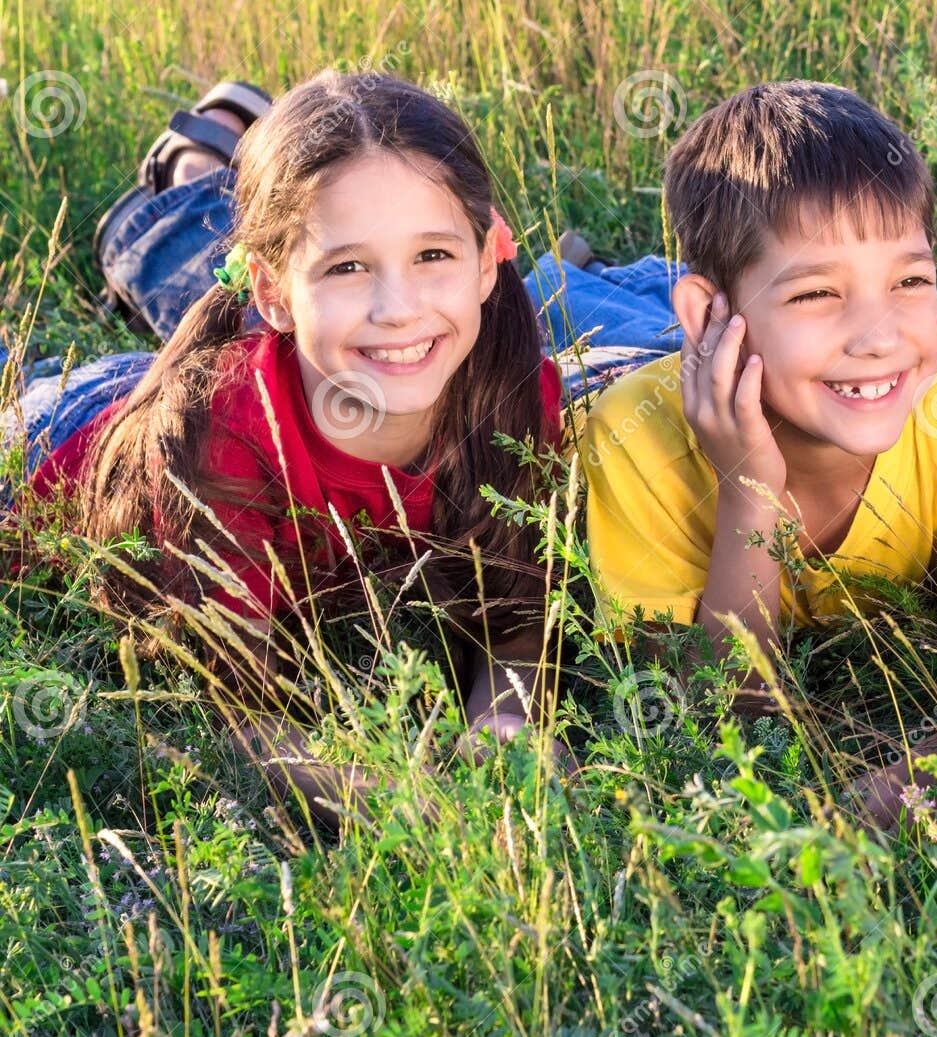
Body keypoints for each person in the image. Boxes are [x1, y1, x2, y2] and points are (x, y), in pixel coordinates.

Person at [14, 72, 567, 827]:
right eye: (348, 267)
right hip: (74, 423)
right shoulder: (230, 427)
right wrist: (406, 805)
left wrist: (503, 721)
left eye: (433, 254)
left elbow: (516, 611)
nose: (398, 309)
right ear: (270, 293)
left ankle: (213, 153)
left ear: (486, 257)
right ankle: (195, 166)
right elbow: (237, 715)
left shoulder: (512, 386)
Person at [576, 80, 937, 814]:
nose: (880, 335)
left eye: (910, 280)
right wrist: (746, 487)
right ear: (709, 314)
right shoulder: (631, 440)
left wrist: (893, 795)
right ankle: (573, 274)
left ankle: (600, 272)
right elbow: (713, 716)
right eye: (817, 294)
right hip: (609, 377)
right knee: (583, 330)